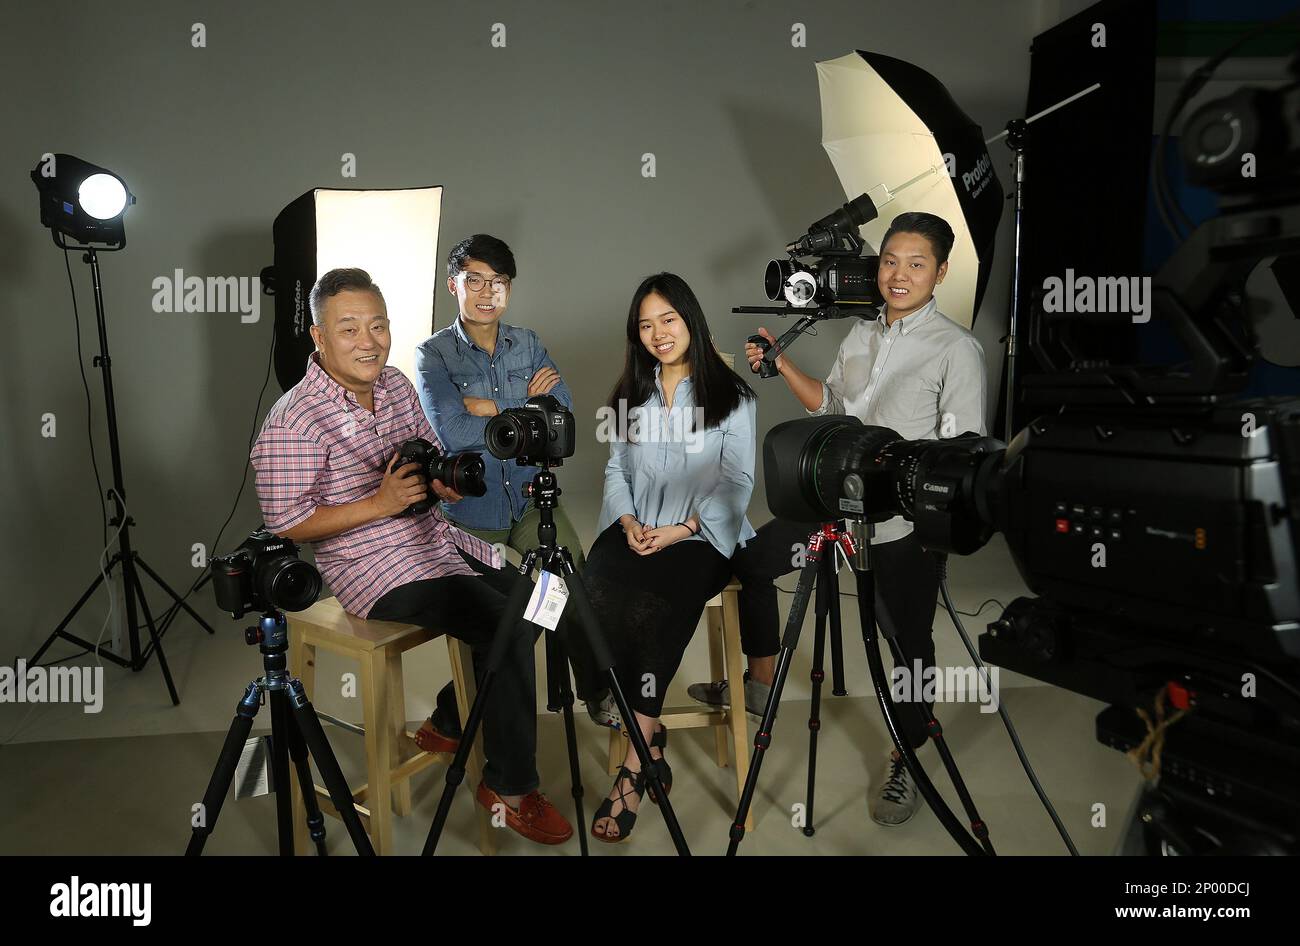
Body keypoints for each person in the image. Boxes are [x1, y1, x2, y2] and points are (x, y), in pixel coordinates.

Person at [250, 267, 572, 845]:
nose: (368, 341)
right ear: (319, 338)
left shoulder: (396, 384)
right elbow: (287, 522)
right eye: (349, 329)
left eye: (378, 325)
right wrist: (378, 504)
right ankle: (511, 785)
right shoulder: (293, 419)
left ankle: (452, 719)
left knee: (544, 599)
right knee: (503, 621)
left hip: (435, 539)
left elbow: (423, 455)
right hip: (371, 567)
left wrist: (441, 484)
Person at [686, 212, 988, 827]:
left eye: (916, 264)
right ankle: (761, 683)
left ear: (941, 271)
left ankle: (910, 753)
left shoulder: (958, 349)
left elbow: (965, 453)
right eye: (889, 262)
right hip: (831, 504)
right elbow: (831, 407)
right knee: (751, 565)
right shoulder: (860, 334)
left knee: (907, 645)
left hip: (898, 525)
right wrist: (780, 365)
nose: (898, 275)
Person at [414, 234, 614, 744]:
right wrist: (522, 406)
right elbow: (449, 431)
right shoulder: (432, 354)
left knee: (573, 589)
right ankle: (452, 714)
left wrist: (487, 408)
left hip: (531, 500)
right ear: (452, 285)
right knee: (513, 613)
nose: (487, 292)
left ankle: (598, 693)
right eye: (475, 280)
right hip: (467, 513)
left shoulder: (528, 343)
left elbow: (561, 420)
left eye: (498, 282)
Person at [585, 272, 757, 842]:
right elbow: (615, 470)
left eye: (669, 319)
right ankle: (644, 731)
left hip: (702, 536)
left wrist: (679, 530)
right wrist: (631, 522)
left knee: (658, 607)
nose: (658, 333)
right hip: (636, 523)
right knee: (581, 598)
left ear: (690, 321)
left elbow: (737, 482)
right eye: (645, 324)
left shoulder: (732, 395)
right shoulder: (631, 397)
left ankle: (634, 766)